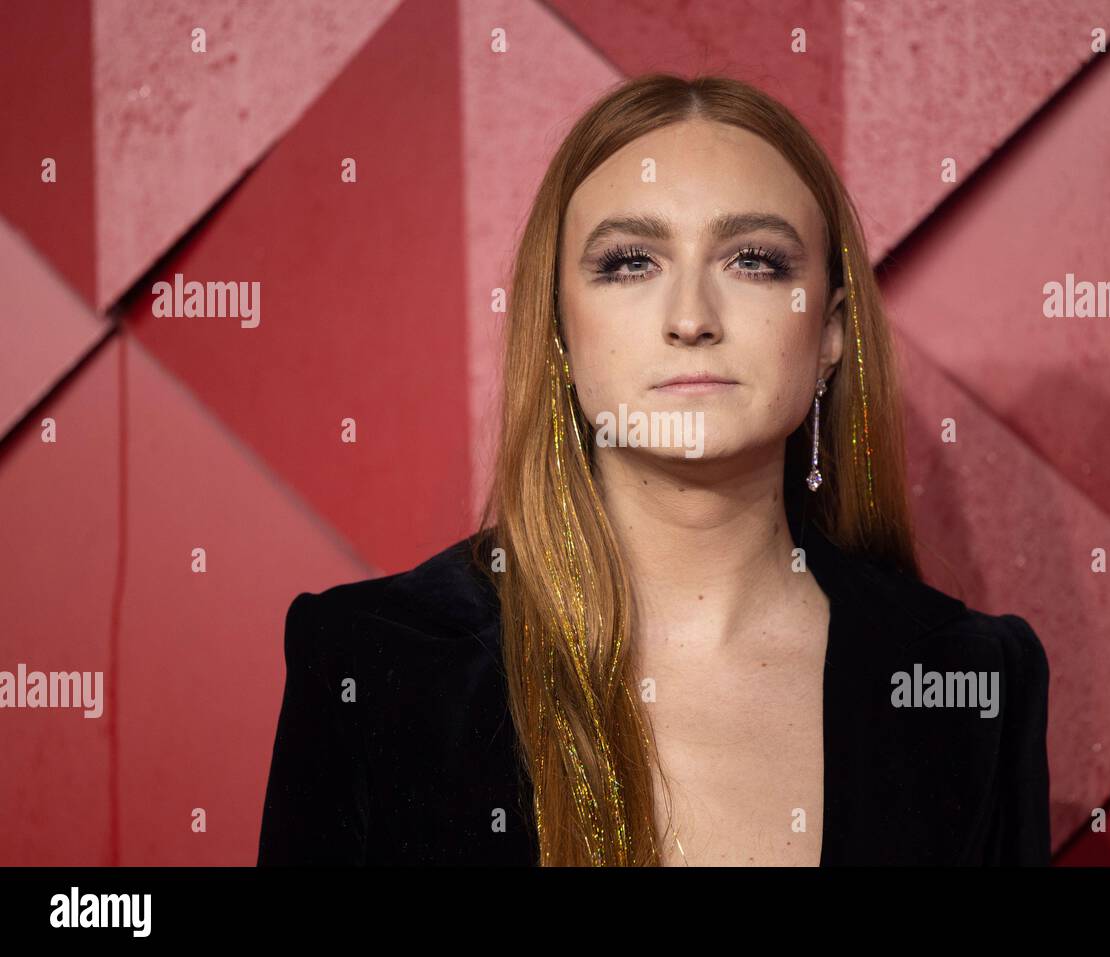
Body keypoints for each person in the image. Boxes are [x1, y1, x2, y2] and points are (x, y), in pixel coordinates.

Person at [257, 73, 1051, 867]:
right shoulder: (373, 664)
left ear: (832, 334)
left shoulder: (970, 681)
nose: (692, 319)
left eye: (756, 262)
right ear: (559, 330)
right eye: (632, 262)